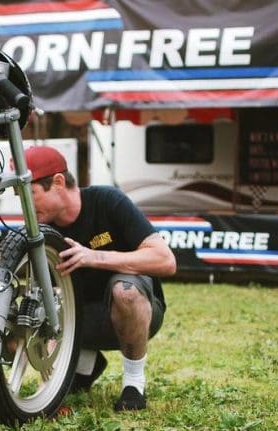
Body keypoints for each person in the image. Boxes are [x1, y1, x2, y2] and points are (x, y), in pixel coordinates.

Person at [24, 146, 176, 411]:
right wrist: (45, 389)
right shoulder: (40, 228)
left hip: (139, 311)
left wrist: (93, 257)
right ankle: (85, 365)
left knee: (125, 290)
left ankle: (133, 384)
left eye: (30, 193)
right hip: (80, 321)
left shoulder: (108, 201)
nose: (25, 203)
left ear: (58, 182)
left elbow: (165, 260)